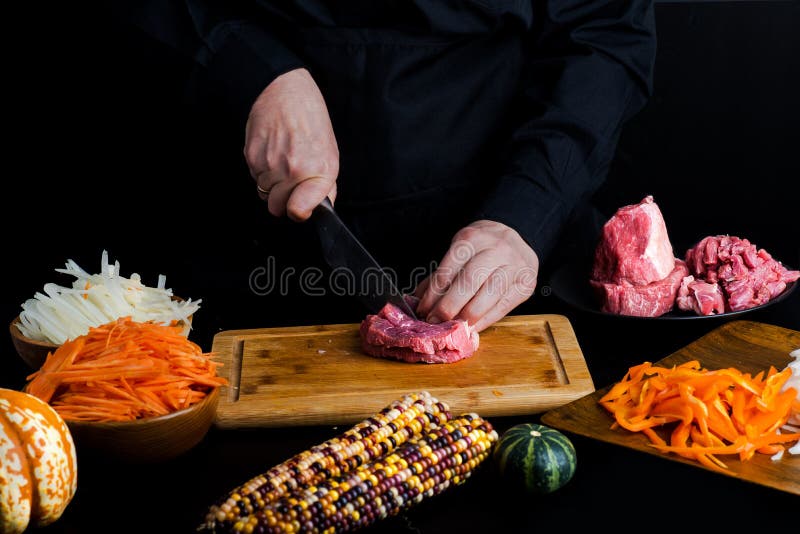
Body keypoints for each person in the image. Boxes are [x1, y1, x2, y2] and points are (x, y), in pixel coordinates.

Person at [129, 1, 657, 331]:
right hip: (247, 264)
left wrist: (528, 210)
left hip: (505, 268)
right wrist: (253, 72)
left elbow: (606, 28)